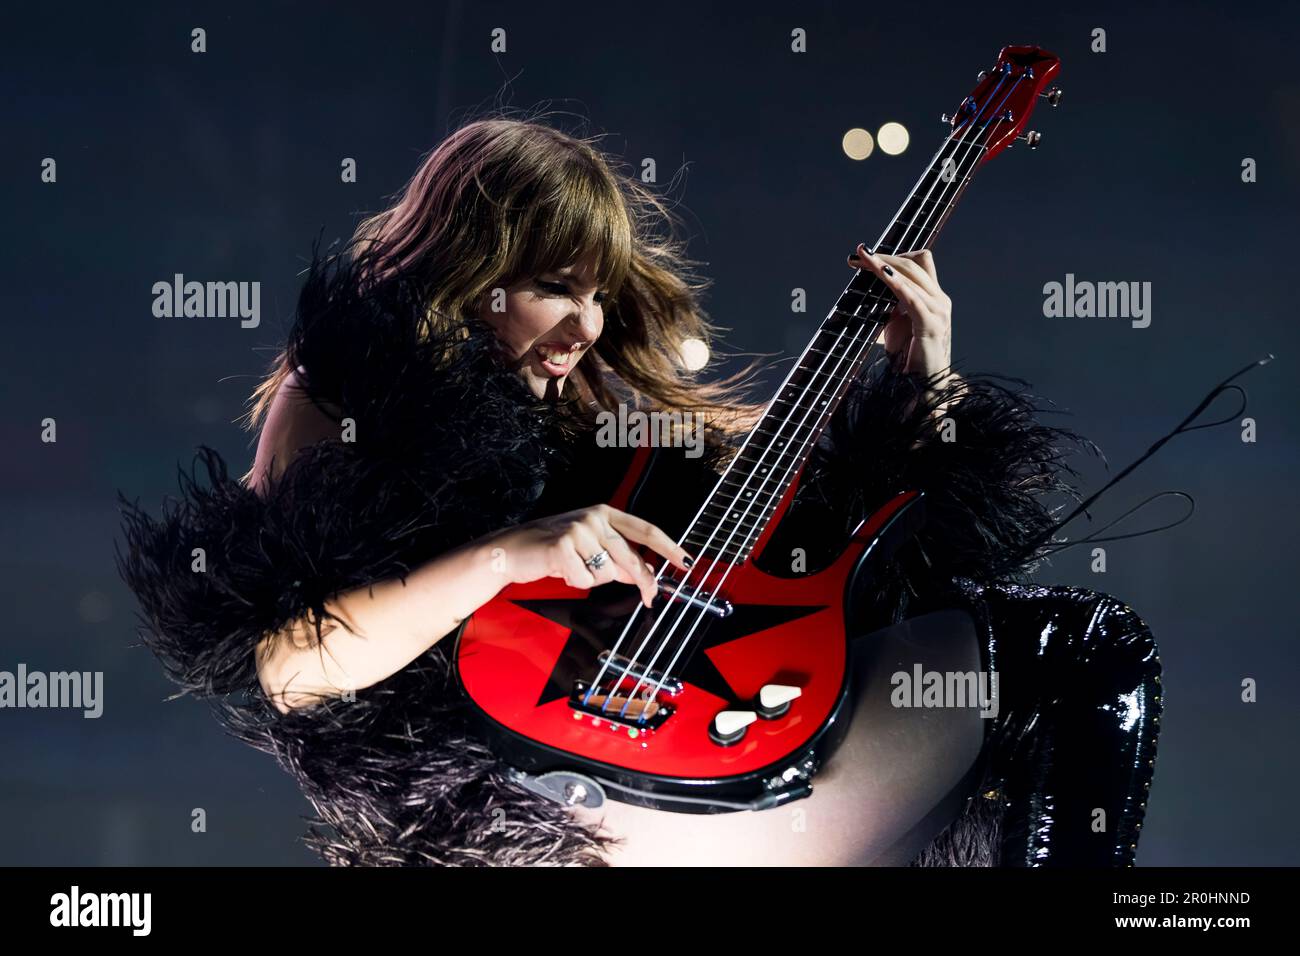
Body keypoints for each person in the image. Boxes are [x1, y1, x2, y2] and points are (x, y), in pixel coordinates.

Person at [117, 115, 1162, 866]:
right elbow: (291, 667)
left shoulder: (595, 421)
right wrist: (501, 554)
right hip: (518, 804)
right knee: (1081, 650)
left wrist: (919, 375)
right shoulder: (340, 394)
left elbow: (880, 556)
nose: (586, 326)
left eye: (600, 294)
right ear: (465, 265)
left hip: (675, 764)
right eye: (554, 285)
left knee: (1055, 665)